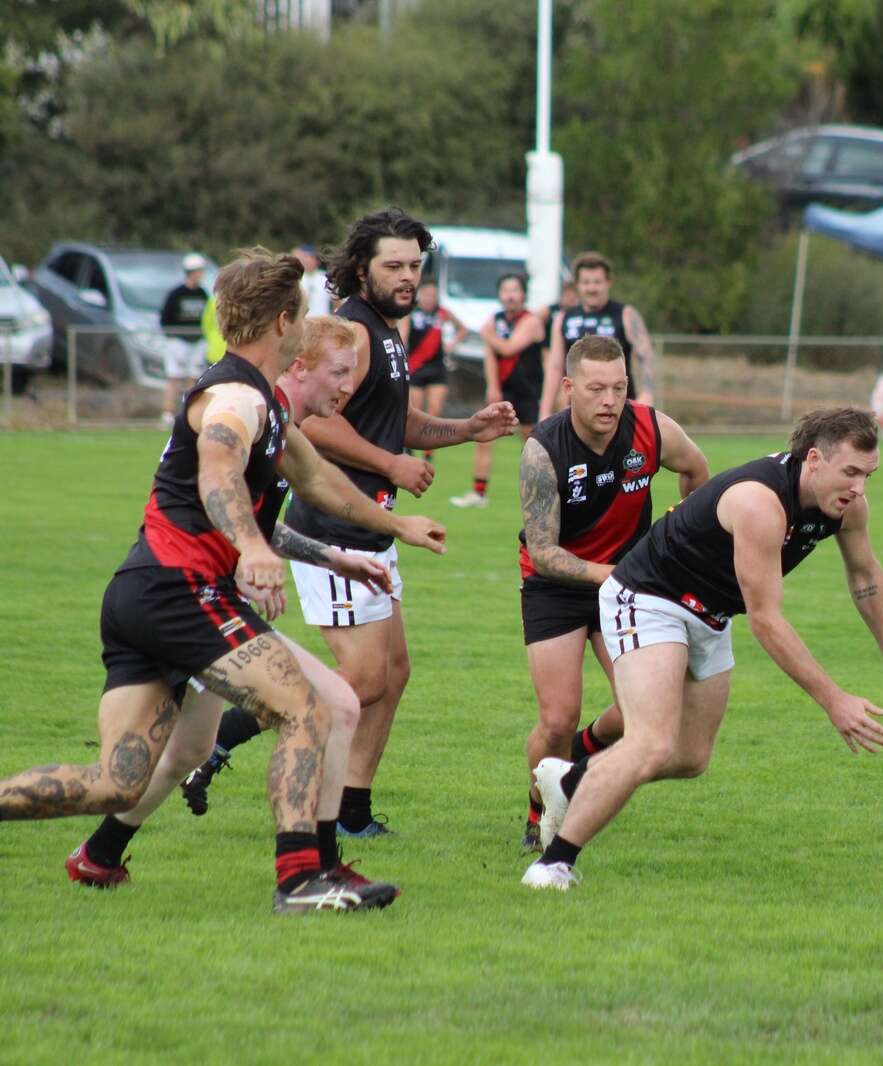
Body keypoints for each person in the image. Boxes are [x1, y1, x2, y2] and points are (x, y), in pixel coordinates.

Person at [3, 248, 446, 913]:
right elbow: (217, 470)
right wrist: (249, 547)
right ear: (283, 322)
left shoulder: (266, 400)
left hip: (146, 592)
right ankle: (302, 879)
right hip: (183, 591)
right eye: (307, 314)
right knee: (306, 707)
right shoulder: (235, 396)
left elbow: (318, 479)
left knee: (119, 781)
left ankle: (102, 855)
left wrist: (386, 532)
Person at [179, 209, 519, 837]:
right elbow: (314, 423)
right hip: (335, 530)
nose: (407, 276)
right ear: (361, 268)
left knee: (393, 674)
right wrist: (392, 463)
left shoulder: (389, 331)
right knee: (360, 680)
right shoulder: (353, 332)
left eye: (416, 265)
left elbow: (394, 419)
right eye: (394, 265)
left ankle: (356, 811)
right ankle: (216, 746)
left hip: (375, 527)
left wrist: (466, 430)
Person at [521, 407, 883, 891]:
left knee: (690, 757)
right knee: (651, 742)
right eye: (851, 472)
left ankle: (571, 780)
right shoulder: (760, 503)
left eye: (869, 474)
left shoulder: (846, 508)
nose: (860, 488)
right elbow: (766, 620)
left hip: (710, 614)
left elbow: (865, 577)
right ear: (816, 460)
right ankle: (552, 864)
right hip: (650, 598)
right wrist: (833, 700)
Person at [515, 334, 709, 851]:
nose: (609, 401)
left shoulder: (651, 428)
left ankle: (579, 755)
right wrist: (609, 573)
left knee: (641, 714)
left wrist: (682, 532)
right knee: (557, 718)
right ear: (568, 387)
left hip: (629, 585)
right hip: (555, 585)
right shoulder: (543, 451)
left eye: (619, 388)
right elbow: (544, 550)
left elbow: (697, 471)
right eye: (596, 389)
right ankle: (537, 813)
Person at [451, 272, 544, 507]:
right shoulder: (495, 320)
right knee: (485, 438)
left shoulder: (530, 321)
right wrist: (493, 386)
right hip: (505, 390)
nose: (510, 295)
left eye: (514, 290)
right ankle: (479, 493)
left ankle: (543, 493)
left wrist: (487, 335)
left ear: (523, 294)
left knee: (534, 444)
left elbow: (510, 348)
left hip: (529, 390)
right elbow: (491, 354)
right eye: (505, 290)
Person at [540, 251, 658, 419]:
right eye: (586, 282)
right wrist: (545, 409)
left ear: (608, 282)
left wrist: (647, 393)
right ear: (577, 285)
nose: (592, 288)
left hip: (618, 407)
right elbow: (555, 366)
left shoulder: (625, 314)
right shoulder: (563, 319)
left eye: (597, 282)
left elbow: (646, 356)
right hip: (577, 410)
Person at [404, 279, 463, 461]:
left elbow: (462, 329)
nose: (429, 298)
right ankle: (410, 445)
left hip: (437, 368)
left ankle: (429, 451)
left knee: (435, 409)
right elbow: (403, 336)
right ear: (419, 294)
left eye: (433, 295)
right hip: (416, 366)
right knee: (416, 410)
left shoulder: (442, 313)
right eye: (426, 294)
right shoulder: (411, 312)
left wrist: (451, 344)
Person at [158, 253, 210, 426]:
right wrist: (173, 336)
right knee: (174, 377)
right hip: (178, 342)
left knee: (192, 379)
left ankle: (187, 413)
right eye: (199, 271)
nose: (201, 274)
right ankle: (167, 414)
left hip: (197, 342)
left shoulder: (203, 294)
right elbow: (165, 318)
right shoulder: (177, 294)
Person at [293, 243, 332, 318]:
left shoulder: (326, 278)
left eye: (311, 257)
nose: (308, 260)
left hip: (323, 321)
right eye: (305, 257)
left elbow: (336, 303)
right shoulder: (296, 278)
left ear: (317, 261)